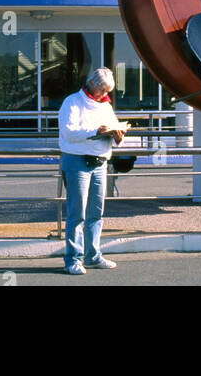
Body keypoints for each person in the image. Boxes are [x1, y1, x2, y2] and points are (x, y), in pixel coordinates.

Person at [58, 66, 128, 274]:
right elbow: (68, 132)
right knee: (76, 213)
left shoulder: (105, 106)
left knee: (96, 212)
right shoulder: (72, 102)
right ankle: (73, 259)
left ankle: (93, 255)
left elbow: (114, 128)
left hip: (100, 162)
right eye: (103, 90)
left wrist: (118, 136)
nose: (105, 95)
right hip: (77, 161)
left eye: (107, 91)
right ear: (92, 84)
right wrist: (95, 130)